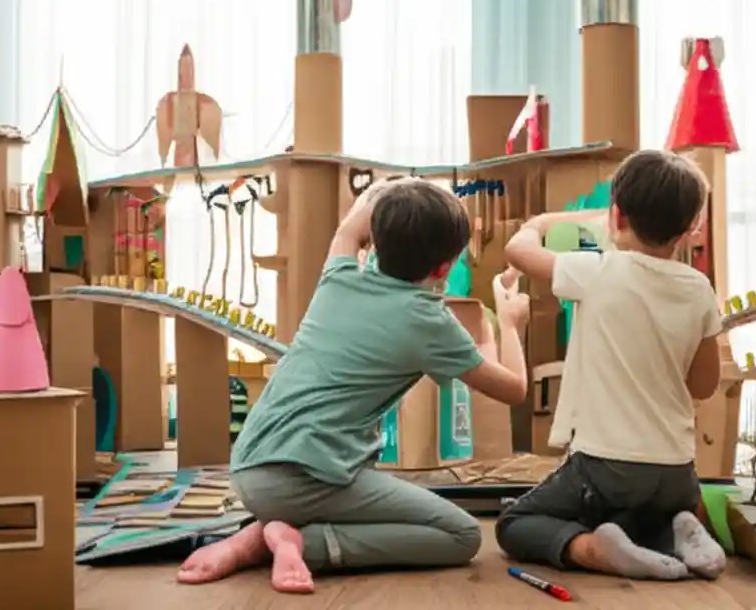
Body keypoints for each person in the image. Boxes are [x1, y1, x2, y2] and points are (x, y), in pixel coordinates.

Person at [177, 177, 531, 593]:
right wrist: (507, 324)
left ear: (375, 242)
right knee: (461, 535)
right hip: (303, 484)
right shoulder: (430, 320)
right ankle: (294, 543)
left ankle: (261, 531)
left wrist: (395, 189)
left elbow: (349, 228)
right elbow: (514, 390)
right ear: (444, 268)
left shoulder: (340, 276)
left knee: (353, 486)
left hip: (249, 469)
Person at [496, 149, 726, 581]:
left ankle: (592, 551)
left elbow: (517, 249)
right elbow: (704, 384)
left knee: (515, 524)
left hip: (607, 469)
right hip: (677, 473)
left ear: (615, 217)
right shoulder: (700, 289)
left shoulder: (597, 271)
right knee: (636, 516)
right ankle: (675, 528)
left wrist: (540, 223)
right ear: (693, 227)